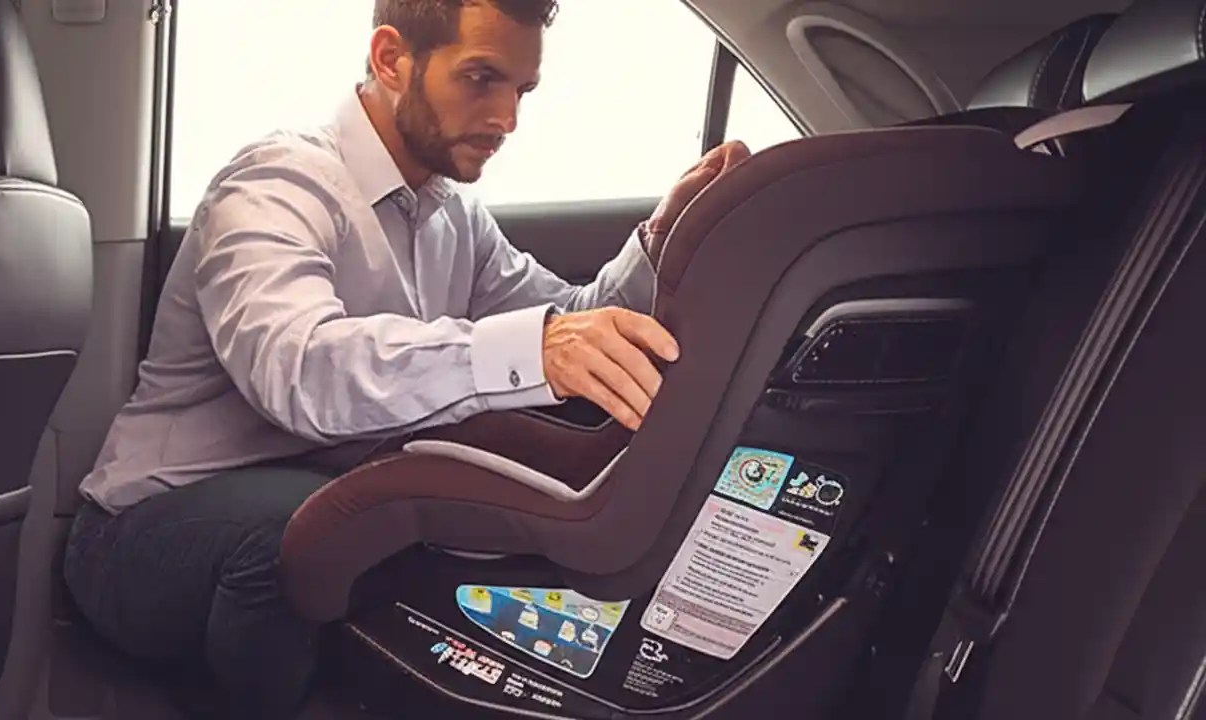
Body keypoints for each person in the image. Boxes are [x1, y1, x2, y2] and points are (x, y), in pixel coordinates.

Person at [62, 0, 750, 717]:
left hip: (321, 506)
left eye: (522, 90)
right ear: (391, 58)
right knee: (303, 528)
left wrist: (659, 236)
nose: (508, 119)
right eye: (482, 78)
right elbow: (298, 371)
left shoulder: (453, 216)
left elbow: (564, 325)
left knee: (383, 527)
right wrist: (534, 348)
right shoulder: (276, 186)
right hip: (139, 538)